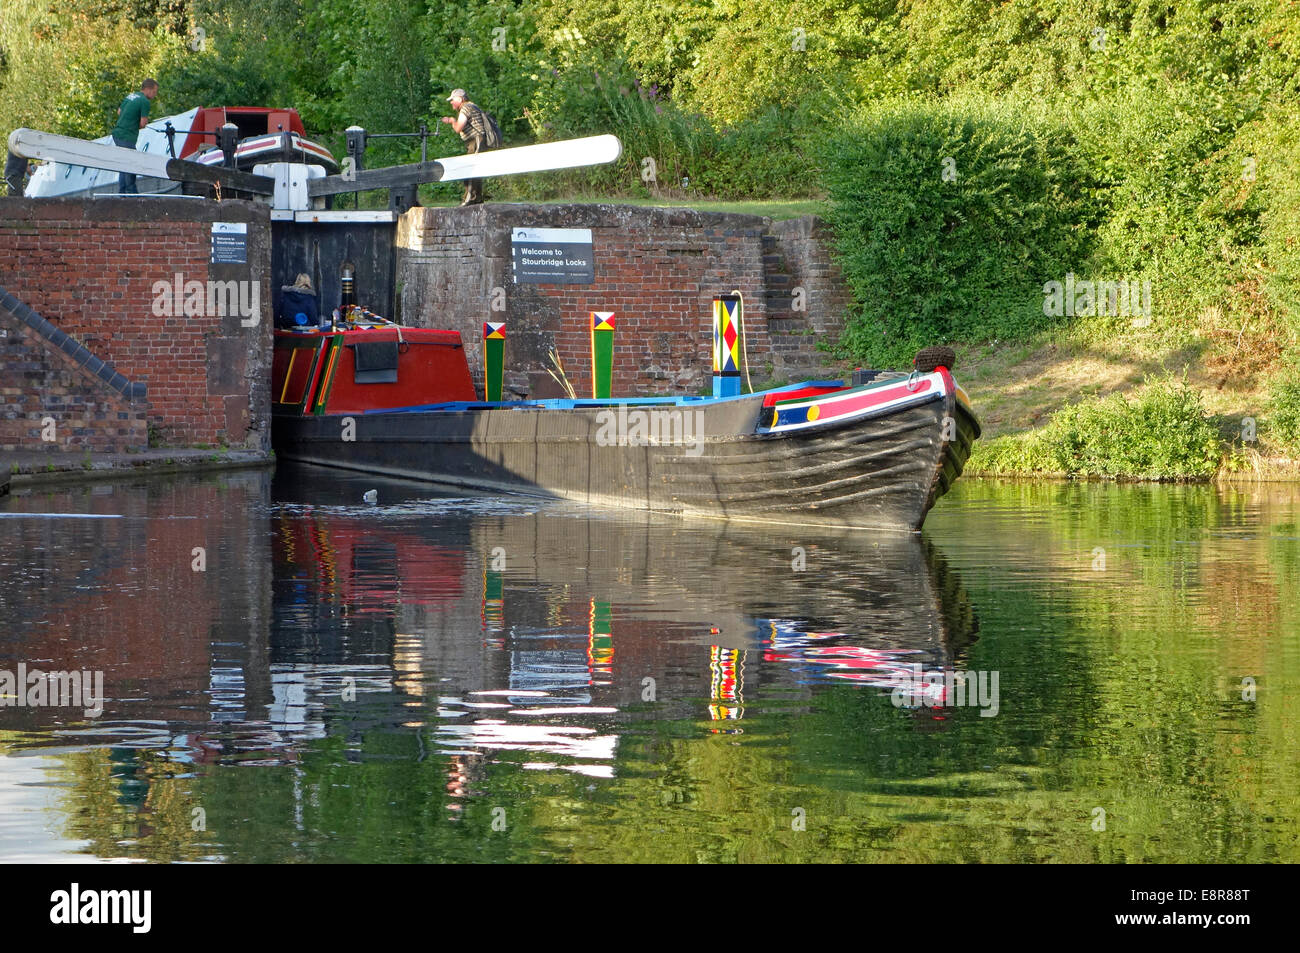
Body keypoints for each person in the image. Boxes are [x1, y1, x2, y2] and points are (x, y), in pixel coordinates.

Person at [440, 89, 494, 206]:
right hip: (479, 141)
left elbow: (458, 128)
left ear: (460, 99)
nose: (451, 103)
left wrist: (451, 120)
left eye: (452, 100)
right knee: (475, 169)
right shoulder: (472, 106)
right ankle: (477, 198)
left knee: (470, 169)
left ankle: (470, 198)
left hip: (476, 141)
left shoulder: (465, 108)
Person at [111, 79, 158, 194]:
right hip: (127, 136)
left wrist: (127, 118)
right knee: (132, 163)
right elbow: (143, 123)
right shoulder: (144, 101)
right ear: (148, 89)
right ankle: (132, 194)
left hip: (117, 133)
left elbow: (119, 111)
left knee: (124, 164)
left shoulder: (131, 96)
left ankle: (122, 194)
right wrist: (134, 123)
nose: (155, 95)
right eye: (154, 91)